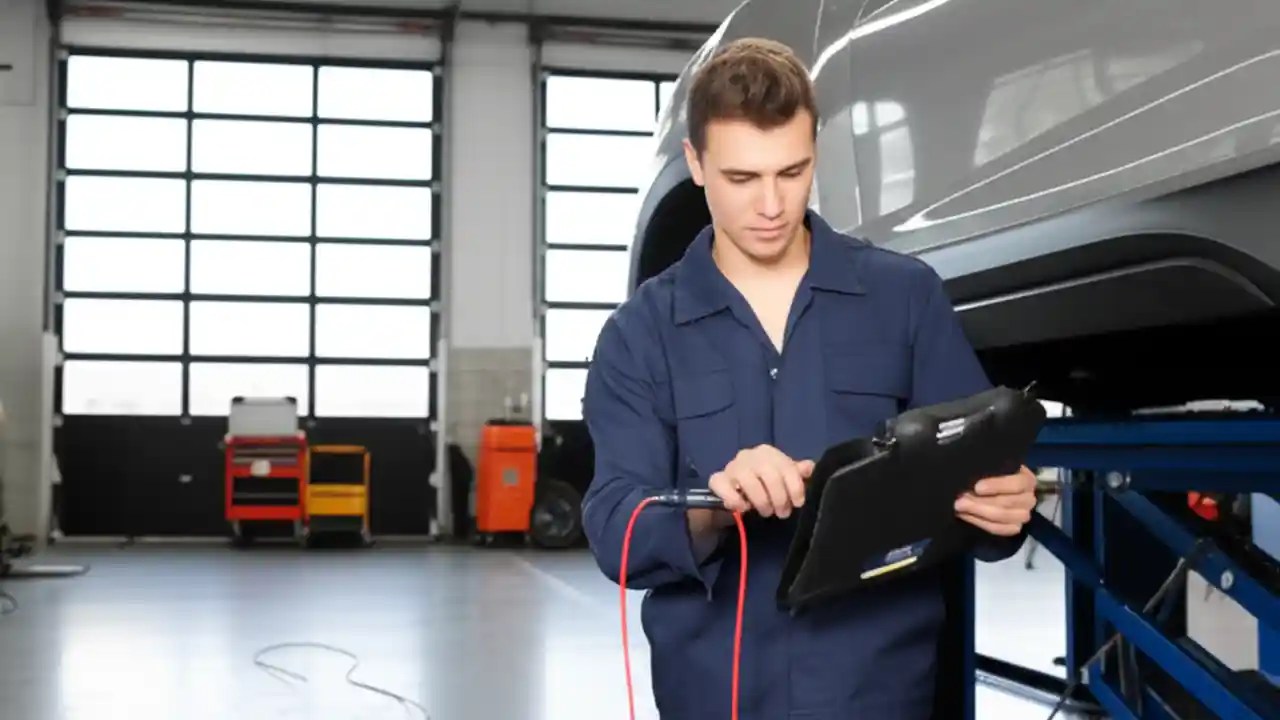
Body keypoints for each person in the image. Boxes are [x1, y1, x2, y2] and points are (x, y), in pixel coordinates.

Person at [580, 37, 1038, 719]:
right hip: (715, 695)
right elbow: (614, 526)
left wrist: (1004, 509)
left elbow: (970, 467)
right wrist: (712, 502)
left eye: (791, 172)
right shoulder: (638, 336)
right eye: (742, 179)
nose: (770, 204)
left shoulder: (905, 297)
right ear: (696, 164)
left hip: (877, 691)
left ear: (814, 152)